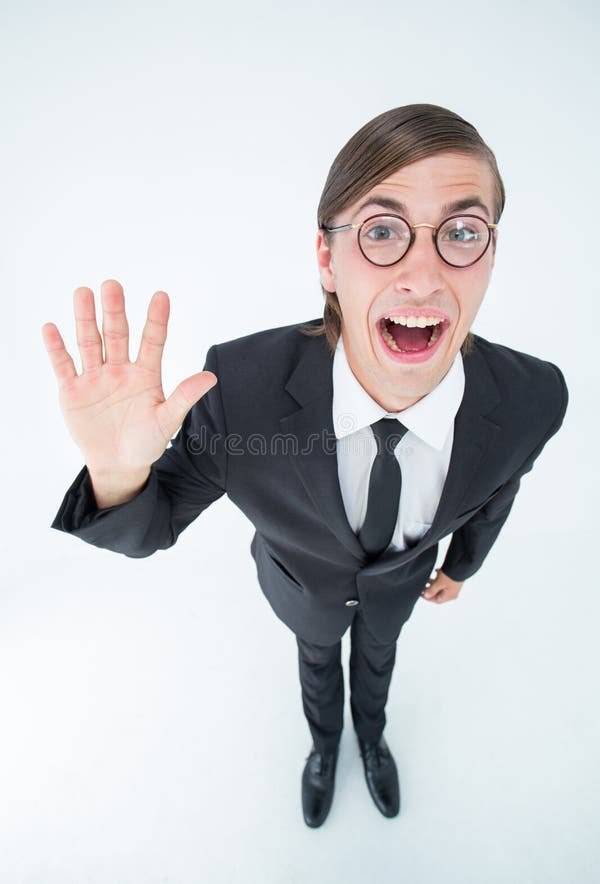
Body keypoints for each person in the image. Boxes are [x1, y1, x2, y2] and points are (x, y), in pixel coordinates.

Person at [42, 104, 568, 828]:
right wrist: (116, 472)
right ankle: (325, 749)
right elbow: (152, 525)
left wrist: (462, 568)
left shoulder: (535, 397)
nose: (422, 274)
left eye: (461, 234)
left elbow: (499, 489)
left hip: (401, 592)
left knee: (376, 667)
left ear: (490, 254)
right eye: (382, 232)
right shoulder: (241, 392)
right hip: (303, 595)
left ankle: (372, 740)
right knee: (317, 668)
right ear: (326, 259)